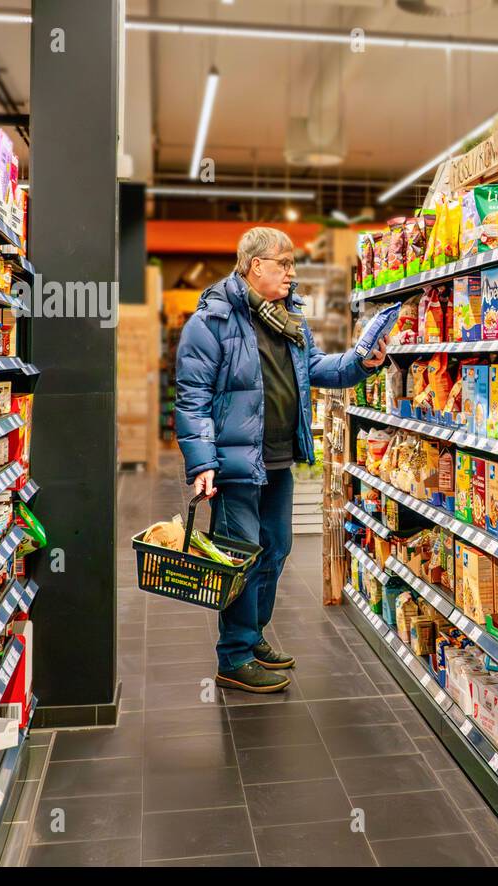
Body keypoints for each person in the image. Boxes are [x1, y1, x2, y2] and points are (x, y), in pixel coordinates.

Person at [175, 227, 385, 694]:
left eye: (293, 263)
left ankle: (254, 637)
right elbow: (191, 399)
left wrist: (360, 362)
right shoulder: (212, 321)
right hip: (234, 464)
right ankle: (233, 657)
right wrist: (202, 462)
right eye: (283, 263)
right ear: (254, 267)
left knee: (276, 549)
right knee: (239, 558)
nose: (292, 272)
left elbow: (312, 370)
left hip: (277, 458)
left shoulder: (287, 318)